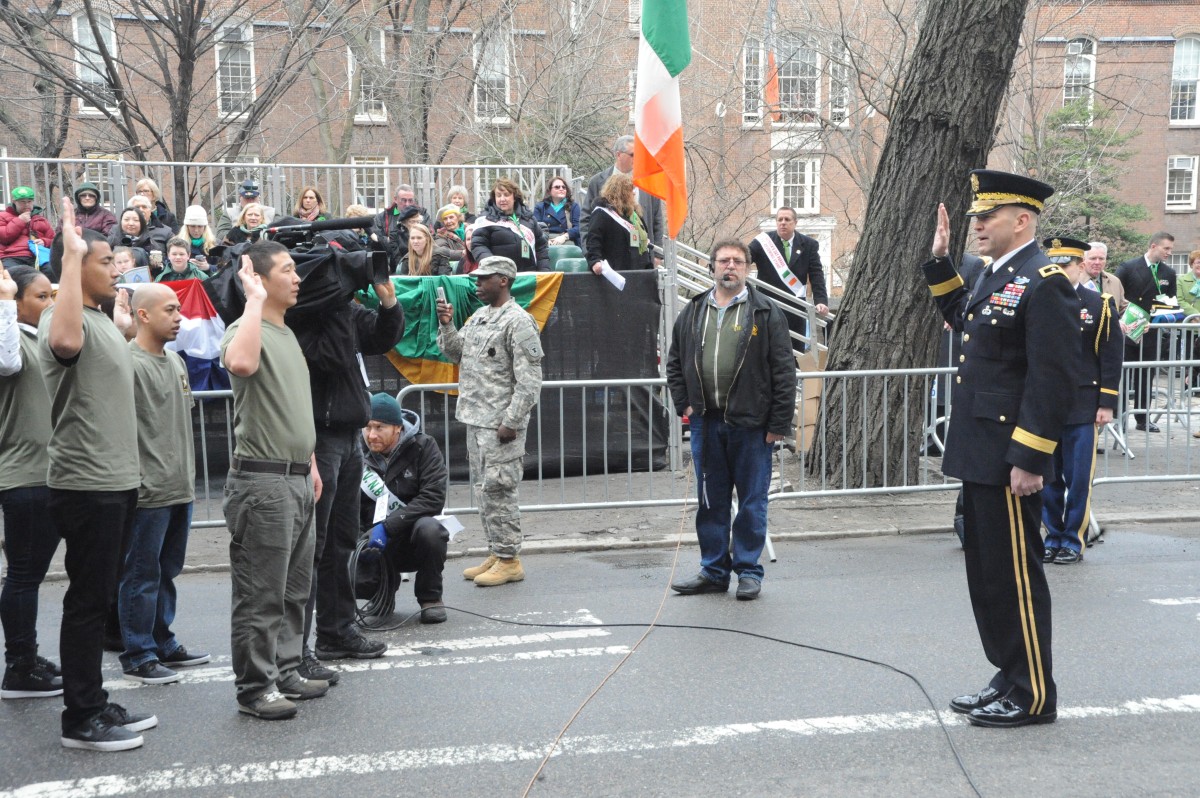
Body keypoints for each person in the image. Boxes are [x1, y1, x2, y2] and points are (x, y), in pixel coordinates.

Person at [924, 170, 1079, 729]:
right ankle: (1009, 673)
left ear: (1023, 220)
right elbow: (964, 320)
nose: (977, 226)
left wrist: (1031, 458)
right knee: (989, 578)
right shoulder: (998, 276)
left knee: (1016, 578)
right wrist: (941, 263)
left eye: (987, 217)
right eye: (974, 218)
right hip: (981, 450)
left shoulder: (1045, 281)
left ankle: (1034, 691)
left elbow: (1053, 378)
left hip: (1010, 456)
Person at [39, 197, 155, 751]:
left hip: (117, 481)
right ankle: (80, 718)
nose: (117, 268)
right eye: (105, 260)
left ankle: (94, 699)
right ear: (77, 264)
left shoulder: (101, 319)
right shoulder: (62, 320)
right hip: (87, 483)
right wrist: (68, 252)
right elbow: (63, 346)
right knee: (86, 602)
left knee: (100, 597)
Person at [220, 241, 327, 720]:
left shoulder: (287, 333)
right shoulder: (246, 328)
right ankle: (255, 687)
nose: (298, 277)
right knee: (261, 594)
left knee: (293, 590)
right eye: (287, 270)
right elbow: (240, 365)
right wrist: (253, 301)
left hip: (297, 478)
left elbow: (293, 408)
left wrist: (311, 462)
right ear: (260, 280)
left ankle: (284, 669)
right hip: (262, 485)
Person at [286, 254, 403, 669]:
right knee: (312, 549)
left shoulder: (341, 310)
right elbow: (334, 356)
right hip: (319, 439)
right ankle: (296, 651)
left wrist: (388, 302)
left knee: (339, 542)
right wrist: (338, 300)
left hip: (348, 438)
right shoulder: (300, 314)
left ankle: (336, 633)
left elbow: (379, 338)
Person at [665, 239, 795, 600]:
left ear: (748, 268)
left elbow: (784, 372)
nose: (731, 267)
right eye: (724, 260)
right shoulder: (693, 311)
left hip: (752, 425)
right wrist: (685, 406)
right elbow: (675, 363)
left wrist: (778, 425)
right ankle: (714, 570)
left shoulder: (766, 312)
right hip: (706, 422)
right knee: (710, 501)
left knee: (752, 501)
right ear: (712, 267)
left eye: (738, 261)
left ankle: (749, 571)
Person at [118, 284, 211, 684]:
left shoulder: (175, 361)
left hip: (180, 486)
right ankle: (138, 653)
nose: (179, 317)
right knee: (141, 574)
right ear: (143, 315)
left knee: (167, 570)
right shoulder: (127, 363)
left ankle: (162, 640)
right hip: (148, 491)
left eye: (179, 310)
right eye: (170, 310)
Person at [436, 256, 543, 586]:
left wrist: (511, 421)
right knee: (485, 490)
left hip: (500, 425)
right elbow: (456, 352)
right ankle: (497, 551)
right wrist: (446, 324)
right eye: (476, 278)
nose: (477, 283)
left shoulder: (518, 321)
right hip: (477, 420)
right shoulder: (480, 317)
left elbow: (529, 381)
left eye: (484, 278)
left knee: (501, 489)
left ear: (503, 281)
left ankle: (510, 559)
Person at [1039, 237, 1122, 566]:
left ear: (1081, 267)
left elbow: (1111, 357)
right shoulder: (1039, 301)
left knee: (1077, 479)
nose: (1062, 271)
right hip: (1045, 405)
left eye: (1067, 266)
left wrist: (1106, 402)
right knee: (1047, 478)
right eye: (1055, 266)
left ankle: (1073, 539)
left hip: (1082, 405)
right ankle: (1052, 535)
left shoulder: (1099, 304)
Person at [0, 266, 62, 700]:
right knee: (23, 575)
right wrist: (3, 301)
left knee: (31, 574)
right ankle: (19, 666)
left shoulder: (43, 340)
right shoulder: (12, 340)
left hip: (51, 473)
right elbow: (8, 362)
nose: (49, 304)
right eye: (40, 297)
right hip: (25, 475)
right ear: (18, 303)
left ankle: (27, 657)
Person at [359, 394, 450, 624]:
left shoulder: (424, 446)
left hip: (411, 535)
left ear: (398, 427)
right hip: (372, 536)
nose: (371, 435)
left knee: (431, 530)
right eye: (367, 427)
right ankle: (381, 594)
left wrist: (389, 527)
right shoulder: (356, 452)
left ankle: (431, 598)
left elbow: (433, 497)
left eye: (380, 427)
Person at [1116, 232, 1177, 432]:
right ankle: (1120, 418)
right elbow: (1115, 298)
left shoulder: (1168, 273)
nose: (1169, 252)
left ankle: (1143, 419)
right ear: (1153, 246)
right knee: (1124, 376)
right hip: (1128, 329)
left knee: (1146, 376)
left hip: (1151, 331)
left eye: (1170, 249)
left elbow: (1172, 302)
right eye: (1165, 248)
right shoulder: (1128, 268)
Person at [747, 206, 830, 352]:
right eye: (779, 219)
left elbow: (816, 275)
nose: (783, 223)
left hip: (795, 308)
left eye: (787, 219)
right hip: (767, 305)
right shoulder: (762, 242)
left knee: (794, 352)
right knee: (765, 349)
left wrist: (821, 301)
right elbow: (744, 259)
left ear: (795, 222)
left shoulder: (809, 244)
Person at [582, 135, 663, 260]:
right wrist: (591, 254)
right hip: (609, 258)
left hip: (642, 257)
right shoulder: (598, 182)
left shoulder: (648, 183)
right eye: (632, 155)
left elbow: (657, 220)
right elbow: (586, 219)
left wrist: (658, 254)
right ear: (619, 155)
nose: (637, 159)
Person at [471, 178, 550, 272]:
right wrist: (493, 267)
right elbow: (478, 245)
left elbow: (541, 247)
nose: (502, 199)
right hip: (499, 276)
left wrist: (544, 272)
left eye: (506, 195)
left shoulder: (528, 218)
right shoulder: (485, 219)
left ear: (515, 197)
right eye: (498, 195)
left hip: (527, 276)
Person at [585, 173, 651, 273]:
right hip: (615, 271)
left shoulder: (634, 214)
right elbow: (594, 239)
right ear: (621, 192)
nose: (633, 193)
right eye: (630, 190)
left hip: (638, 271)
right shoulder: (602, 212)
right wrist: (595, 261)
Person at [0, 186, 54, 275]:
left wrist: (45, 242)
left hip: (38, 256)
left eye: (29, 201)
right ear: (14, 202)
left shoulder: (40, 219)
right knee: (15, 275)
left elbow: (53, 240)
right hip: (12, 256)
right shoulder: (2, 216)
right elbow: (4, 237)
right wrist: (20, 221)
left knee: (52, 271)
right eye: (22, 202)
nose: (26, 205)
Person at [373, 185, 427, 269]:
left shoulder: (423, 214)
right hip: (391, 262)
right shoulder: (382, 217)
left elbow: (429, 236)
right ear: (395, 199)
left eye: (410, 200)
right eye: (403, 200)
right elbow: (377, 239)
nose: (407, 204)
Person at [533, 175, 581, 247]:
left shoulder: (574, 206)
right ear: (549, 191)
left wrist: (564, 237)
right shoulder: (540, 207)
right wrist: (545, 241)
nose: (561, 189)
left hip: (567, 243)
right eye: (557, 187)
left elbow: (579, 228)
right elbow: (535, 228)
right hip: (545, 242)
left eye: (563, 187)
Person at [1082, 242, 1126, 315]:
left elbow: (1123, 309)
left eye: (1101, 258)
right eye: (1093, 258)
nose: (1097, 262)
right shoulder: (1074, 281)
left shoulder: (1115, 281)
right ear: (1083, 259)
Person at [108, 208, 153, 273]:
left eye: (136, 220)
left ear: (142, 223)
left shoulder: (150, 242)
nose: (131, 223)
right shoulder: (111, 242)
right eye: (126, 220)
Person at [181, 205, 218, 270]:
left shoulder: (215, 244)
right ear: (187, 227)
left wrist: (209, 267)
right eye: (192, 226)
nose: (196, 230)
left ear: (205, 227)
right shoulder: (177, 244)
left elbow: (224, 268)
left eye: (200, 226)